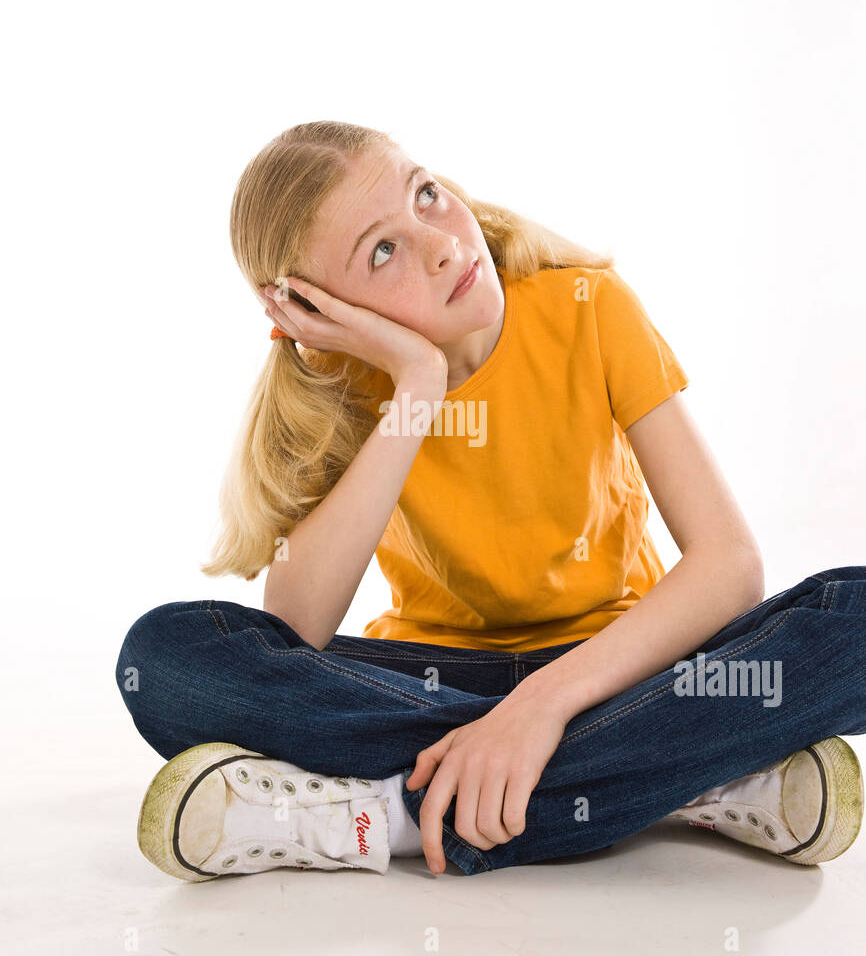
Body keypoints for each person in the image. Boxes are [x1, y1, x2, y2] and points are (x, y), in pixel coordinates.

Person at [115, 119, 866, 883]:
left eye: (426, 195)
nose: (440, 243)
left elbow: (729, 565)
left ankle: (391, 813)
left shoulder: (590, 307)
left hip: (617, 666)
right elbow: (292, 633)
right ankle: (681, 776)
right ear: (317, 312)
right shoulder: (351, 390)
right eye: (382, 251)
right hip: (426, 682)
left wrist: (540, 710)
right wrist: (416, 383)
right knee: (169, 656)